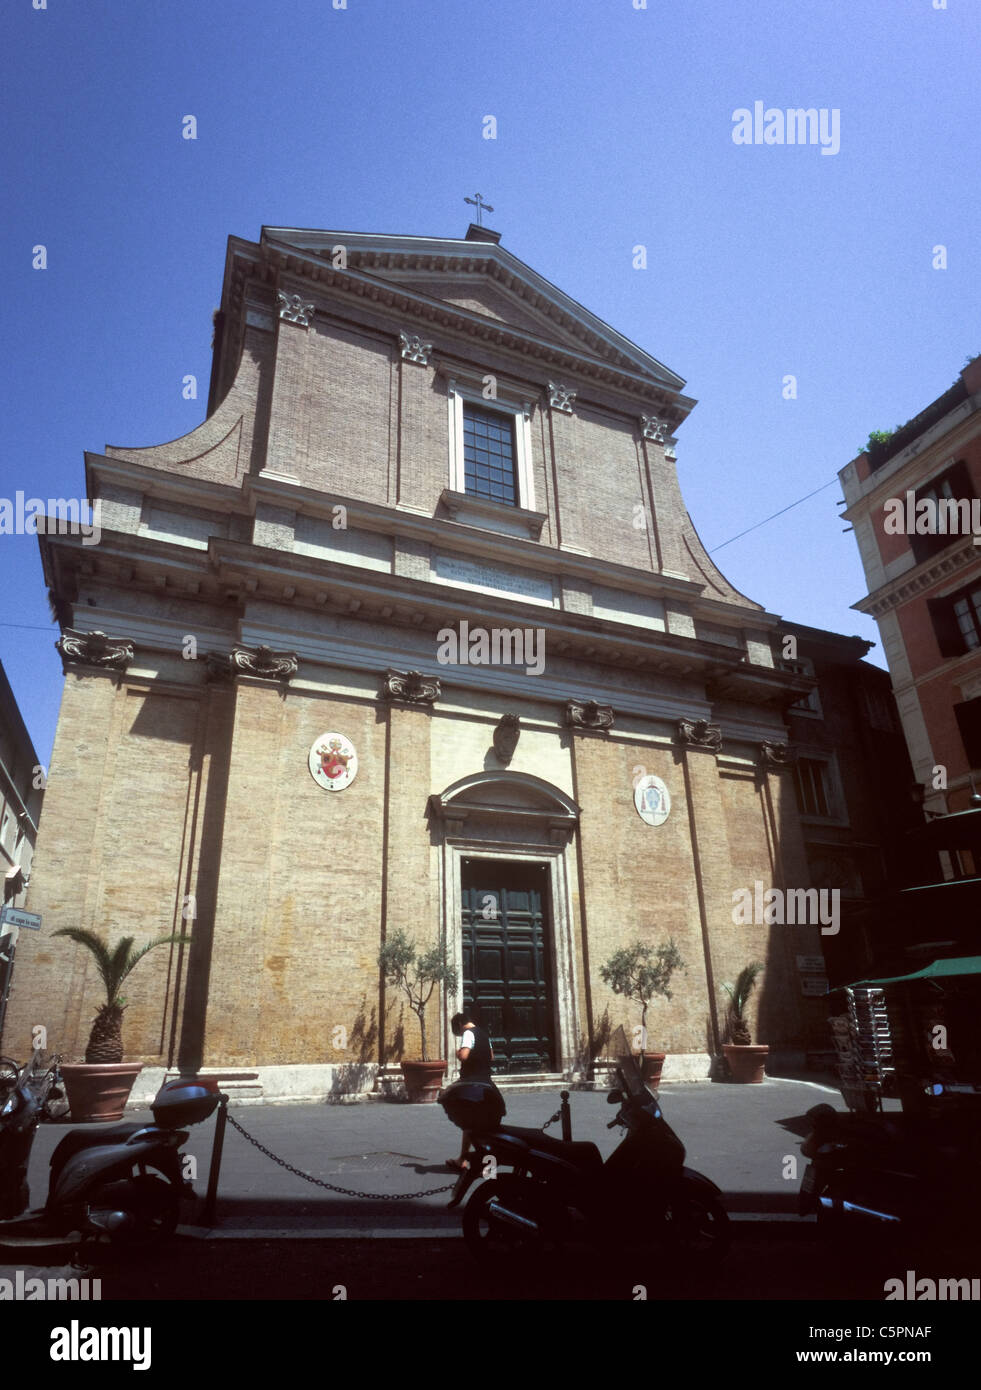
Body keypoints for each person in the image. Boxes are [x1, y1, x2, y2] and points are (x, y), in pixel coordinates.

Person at [446, 1011, 494, 1172]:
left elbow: (464, 1056)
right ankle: (462, 1159)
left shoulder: (468, 1033)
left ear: (459, 1024)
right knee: (473, 1123)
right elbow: (492, 1056)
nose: (459, 1034)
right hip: (487, 1084)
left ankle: (487, 1166)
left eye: (457, 1031)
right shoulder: (484, 1034)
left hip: (472, 1085)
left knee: (472, 1124)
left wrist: (458, 1053)